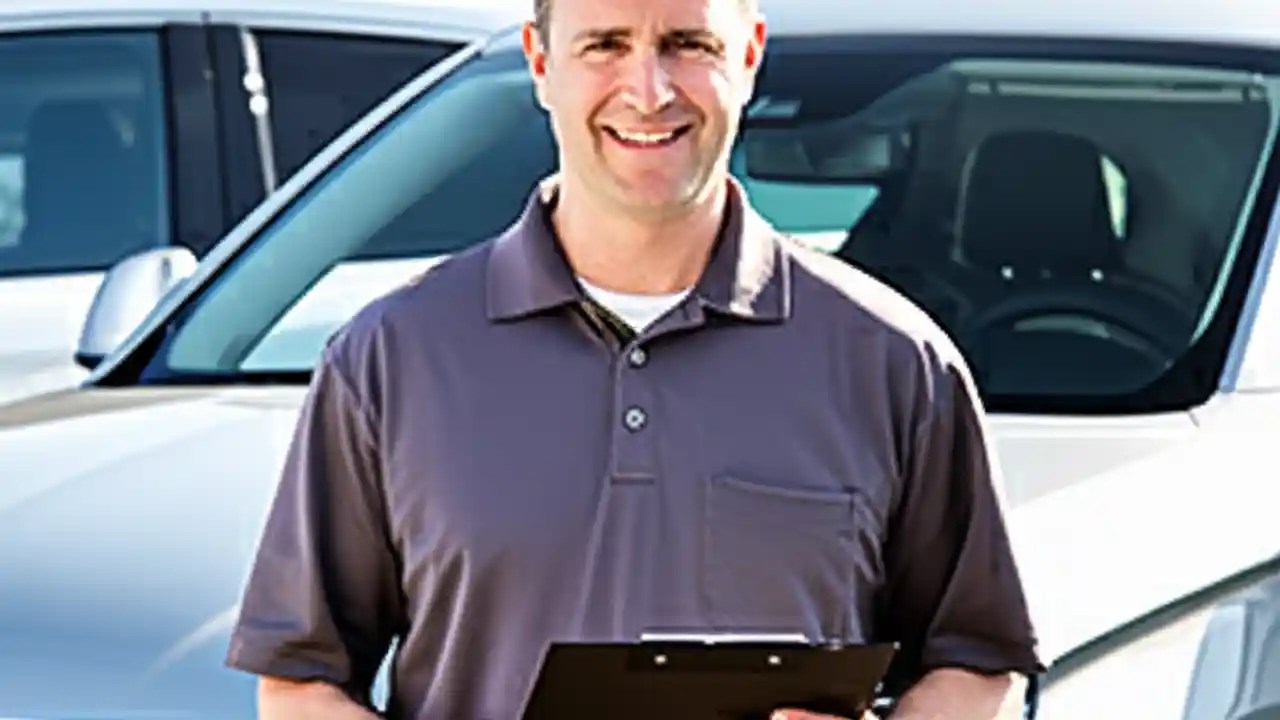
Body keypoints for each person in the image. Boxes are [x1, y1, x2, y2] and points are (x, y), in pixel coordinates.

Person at [224, 0, 1044, 717]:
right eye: (605, 44)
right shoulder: (390, 359)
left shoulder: (894, 360)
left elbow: (980, 663)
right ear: (541, 61)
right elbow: (299, 683)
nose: (648, 91)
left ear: (749, 54)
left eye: (688, 44)